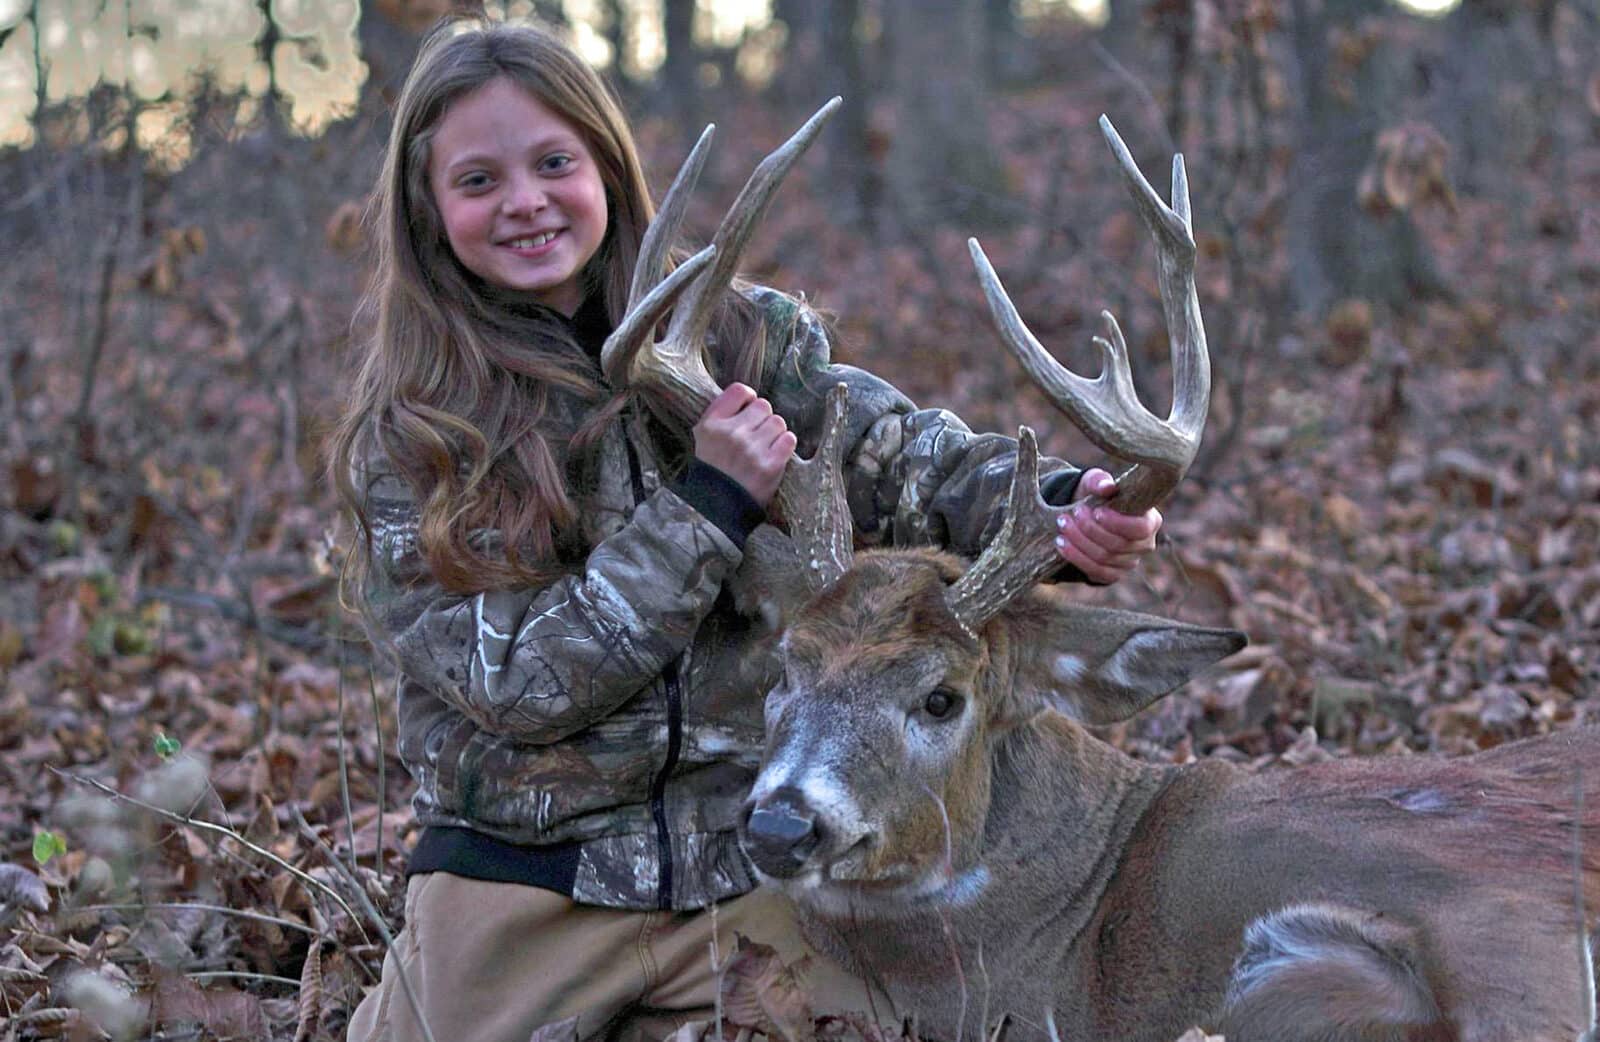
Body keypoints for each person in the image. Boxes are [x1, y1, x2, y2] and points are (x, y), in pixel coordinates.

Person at [329, 15, 1162, 1042]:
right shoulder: (415, 437)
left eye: (554, 162)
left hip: (757, 865)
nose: (526, 202)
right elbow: (520, 688)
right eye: (478, 181)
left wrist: (1055, 508)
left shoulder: (744, 341)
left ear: (608, 167)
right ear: (427, 208)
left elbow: (904, 462)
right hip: (529, 883)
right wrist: (710, 503)